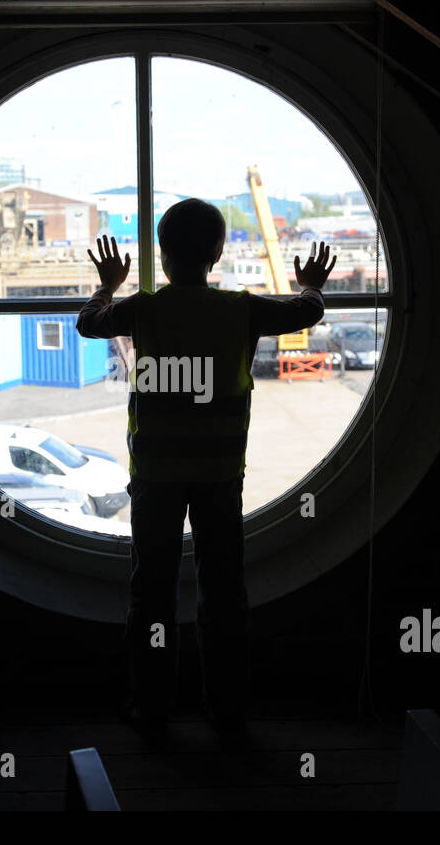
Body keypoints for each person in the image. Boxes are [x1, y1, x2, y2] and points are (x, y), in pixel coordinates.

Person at [76, 198, 335, 749]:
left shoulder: (142, 310)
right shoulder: (241, 310)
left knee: (152, 594)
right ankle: (227, 710)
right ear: (218, 253)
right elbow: (304, 314)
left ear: (163, 257)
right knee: (223, 594)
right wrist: (311, 285)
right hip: (219, 476)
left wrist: (108, 284)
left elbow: (87, 323)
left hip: (155, 477)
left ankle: (150, 708)